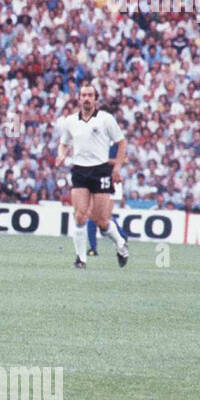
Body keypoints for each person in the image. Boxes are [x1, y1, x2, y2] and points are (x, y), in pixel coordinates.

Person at [55, 84, 130, 268]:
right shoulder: (70, 121)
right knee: (80, 216)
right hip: (79, 170)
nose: (87, 98)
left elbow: (121, 142)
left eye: (90, 95)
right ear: (79, 98)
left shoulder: (106, 119)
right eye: (84, 95)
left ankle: (120, 244)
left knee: (101, 221)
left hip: (100, 170)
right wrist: (61, 155)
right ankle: (81, 259)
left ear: (95, 99)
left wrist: (117, 168)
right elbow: (63, 143)